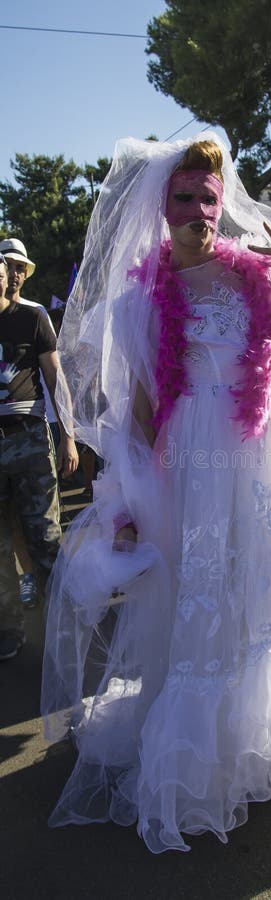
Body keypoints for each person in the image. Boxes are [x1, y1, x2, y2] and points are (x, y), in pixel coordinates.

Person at [41, 134, 271, 854]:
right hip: (195, 454)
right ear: (163, 210)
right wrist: (125, 503)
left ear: (224, 207)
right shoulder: (141, 298)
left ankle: (258, 734)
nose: (198, 211)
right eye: (184, 199)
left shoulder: (258, 275)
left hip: (269, 448)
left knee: (266, 591)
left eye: (208, 200)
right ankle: (198, 755)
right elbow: (135, 409)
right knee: (205, 587)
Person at [0, 252, 78, 661]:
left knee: (45, 537)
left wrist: (67, 436)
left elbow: (55, 380)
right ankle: (8, 632)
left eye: (6, 271)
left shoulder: (32, 317)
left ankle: (62, 624)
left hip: (29, 437)